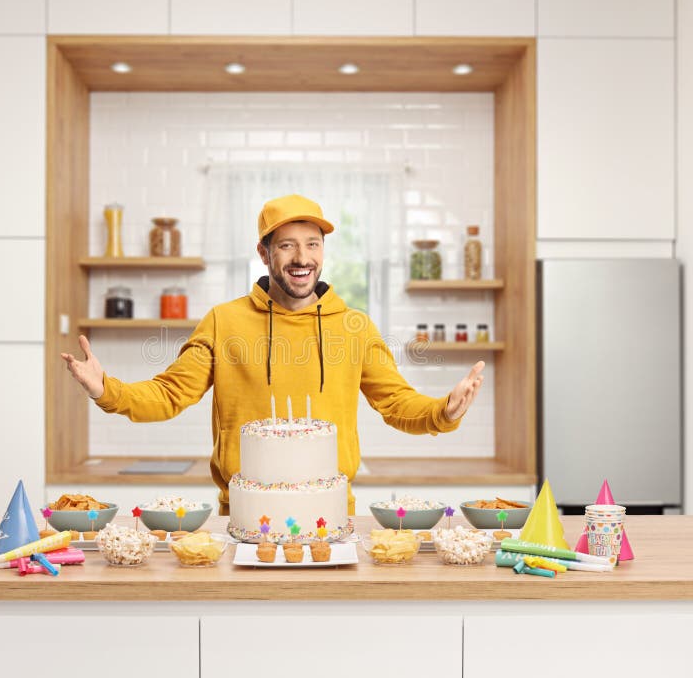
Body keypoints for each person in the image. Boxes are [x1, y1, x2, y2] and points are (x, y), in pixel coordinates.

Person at [61, 194, 485, 515]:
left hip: (332, 513)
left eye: (313, 245)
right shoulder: (223, 322)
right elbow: (171, 394)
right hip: (243, 514)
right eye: (287, 246)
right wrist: (106, 390)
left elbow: (396, 403)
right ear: (264, 253)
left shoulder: (354, 327)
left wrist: (443, 411)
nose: (303, 258)